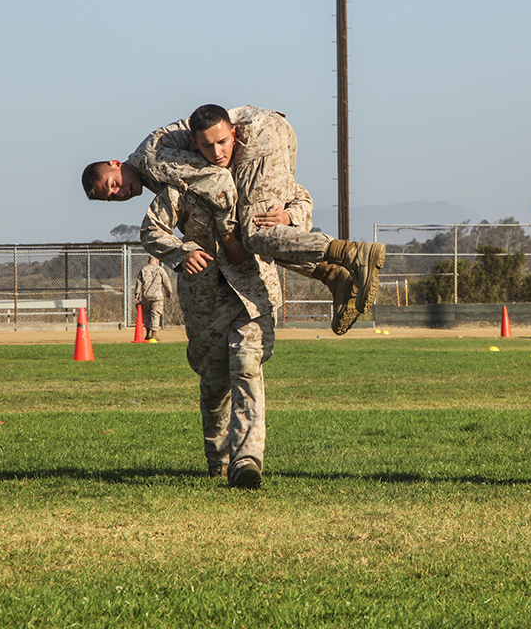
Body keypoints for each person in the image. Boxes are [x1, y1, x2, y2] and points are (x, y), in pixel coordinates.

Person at [81, 105, 385, 334]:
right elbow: (297, 194)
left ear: (116, 163)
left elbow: (218, 180)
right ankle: (333, 275)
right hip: (271, 127)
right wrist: (290, 215)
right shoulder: (156, 176)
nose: (119, 192)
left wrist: (227, 237)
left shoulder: (153, 161)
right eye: (112, 197)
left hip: (258, 136)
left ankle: (352, 253)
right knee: (263, 226)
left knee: (253, 234)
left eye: (113, 184)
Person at [140, 176, 276, 489]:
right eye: (208, 149)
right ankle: (220, 459)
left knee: (246, 367)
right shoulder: (184, 186)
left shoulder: (257, 176)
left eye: (222, 148)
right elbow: (151, 228)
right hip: (205, 299)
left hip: (251, 293)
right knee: (215, 385)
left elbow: (299, 200)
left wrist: (289, 216)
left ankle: (247, 461)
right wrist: (181, 251)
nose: (217, 153)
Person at [134, 256, 173, 342]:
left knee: (146, 313)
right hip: (157, 296)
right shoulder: (160, 270)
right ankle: (154, 333)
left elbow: (139, 282)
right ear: (157, 261)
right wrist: (169, 292)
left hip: (146, 296)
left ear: (148, 260)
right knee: (155, 314)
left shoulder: (144, 269)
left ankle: (148, 333)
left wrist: (137, 294)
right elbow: (166, 281)